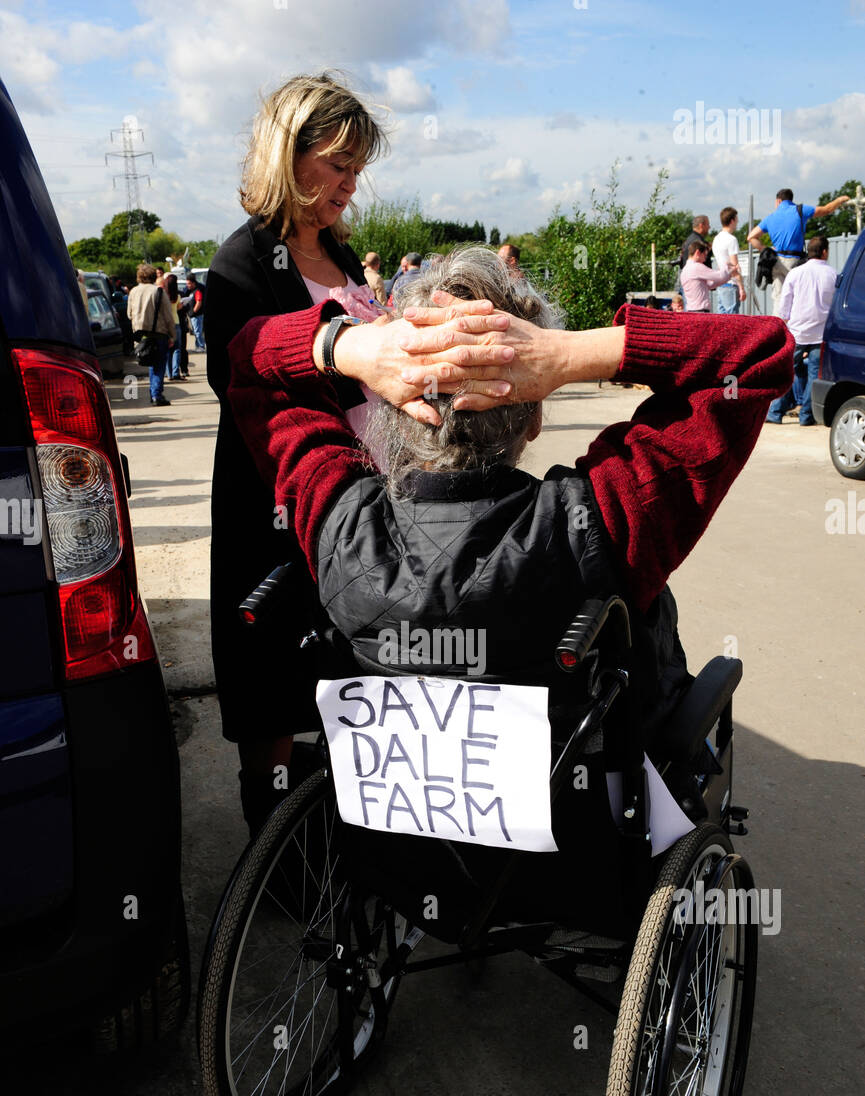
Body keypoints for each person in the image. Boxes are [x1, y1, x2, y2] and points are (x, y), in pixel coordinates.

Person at [224, 248, 793, 797]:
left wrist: (343, 343)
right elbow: (757, 353)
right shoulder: (604, 519)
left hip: (390, 859)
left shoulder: (335, 518)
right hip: (569, 862)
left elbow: (249, 358)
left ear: (392, 396)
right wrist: (573, 353)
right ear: (535, 413)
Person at [204, 71, 389, 832]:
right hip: (276, 502)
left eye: (358, 169)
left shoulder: (342, 259)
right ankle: (274, 840)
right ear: (290, 155)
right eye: (338, 164)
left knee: (353, 662)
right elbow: (240, 380)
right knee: (272, 678)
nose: (351, 183)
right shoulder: (241, 264)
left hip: (363, 495)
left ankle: (347, 829)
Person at [766, 235, 837, 426]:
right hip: (821, 332)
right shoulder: (833, 274)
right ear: (824, 252)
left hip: (797, 330)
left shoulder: (796, 273)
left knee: (787, 370)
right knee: (814, 374)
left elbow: (785, 303)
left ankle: (775, 411)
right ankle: (807, 415)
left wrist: (786, 320)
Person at [747, 187, 851, 313]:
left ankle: (779, 327)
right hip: (795, 262)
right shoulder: (800, 210)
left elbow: (751, 237)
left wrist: (765, 249)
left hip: (776, 261)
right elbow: (826, 209)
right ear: (791, 199)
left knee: (779, 298)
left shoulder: (770, 217)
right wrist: (840, 200)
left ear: (778, 201)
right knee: (798, 296)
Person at [127, 262, 175, 405]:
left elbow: (129, 314)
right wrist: (173, 335)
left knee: (150, 363)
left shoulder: (133, 292)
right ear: (154, 276)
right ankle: (156, 395)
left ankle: (153, 392)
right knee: (159, 365)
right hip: (159, 333)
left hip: (141, 335)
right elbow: (168, 316)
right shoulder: (158, 292)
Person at [680, 241, 736, 312]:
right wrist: (728, 267)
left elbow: (709, 285)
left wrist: (728, 276)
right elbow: (720, 276)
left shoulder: (685, 270)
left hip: (691, 310)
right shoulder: (697, 267)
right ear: (697, 253)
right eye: (704, 255)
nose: (705, 259)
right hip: (700, 311)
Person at [711, 207, 746, 315]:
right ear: (732, 221)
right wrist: (741, 287)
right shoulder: (731, 240)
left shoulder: (716, 239)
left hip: (721, 282)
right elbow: (734, 266)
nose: (737, 222)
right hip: (731, 283)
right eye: (736, 219)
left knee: (721, 320)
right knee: (733, 320)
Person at [163, 274, 186, 380]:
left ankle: (169, 373)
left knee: (167, 349)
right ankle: (176, 372)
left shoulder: (163, 295)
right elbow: (178, 307)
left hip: (166, 324)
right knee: (177, 349)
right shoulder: (177, 296)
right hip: (176, 322)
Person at [185, 272, 206, 349]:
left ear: (193, 283)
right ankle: (198, 346)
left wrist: (193, 312)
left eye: (189, 283)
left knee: (198, 332)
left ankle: (201, 346)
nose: (188, 285)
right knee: (196, 331)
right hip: (193, 316)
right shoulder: (190, 291)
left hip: (197, 315)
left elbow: (199, 302)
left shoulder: (197, 291)